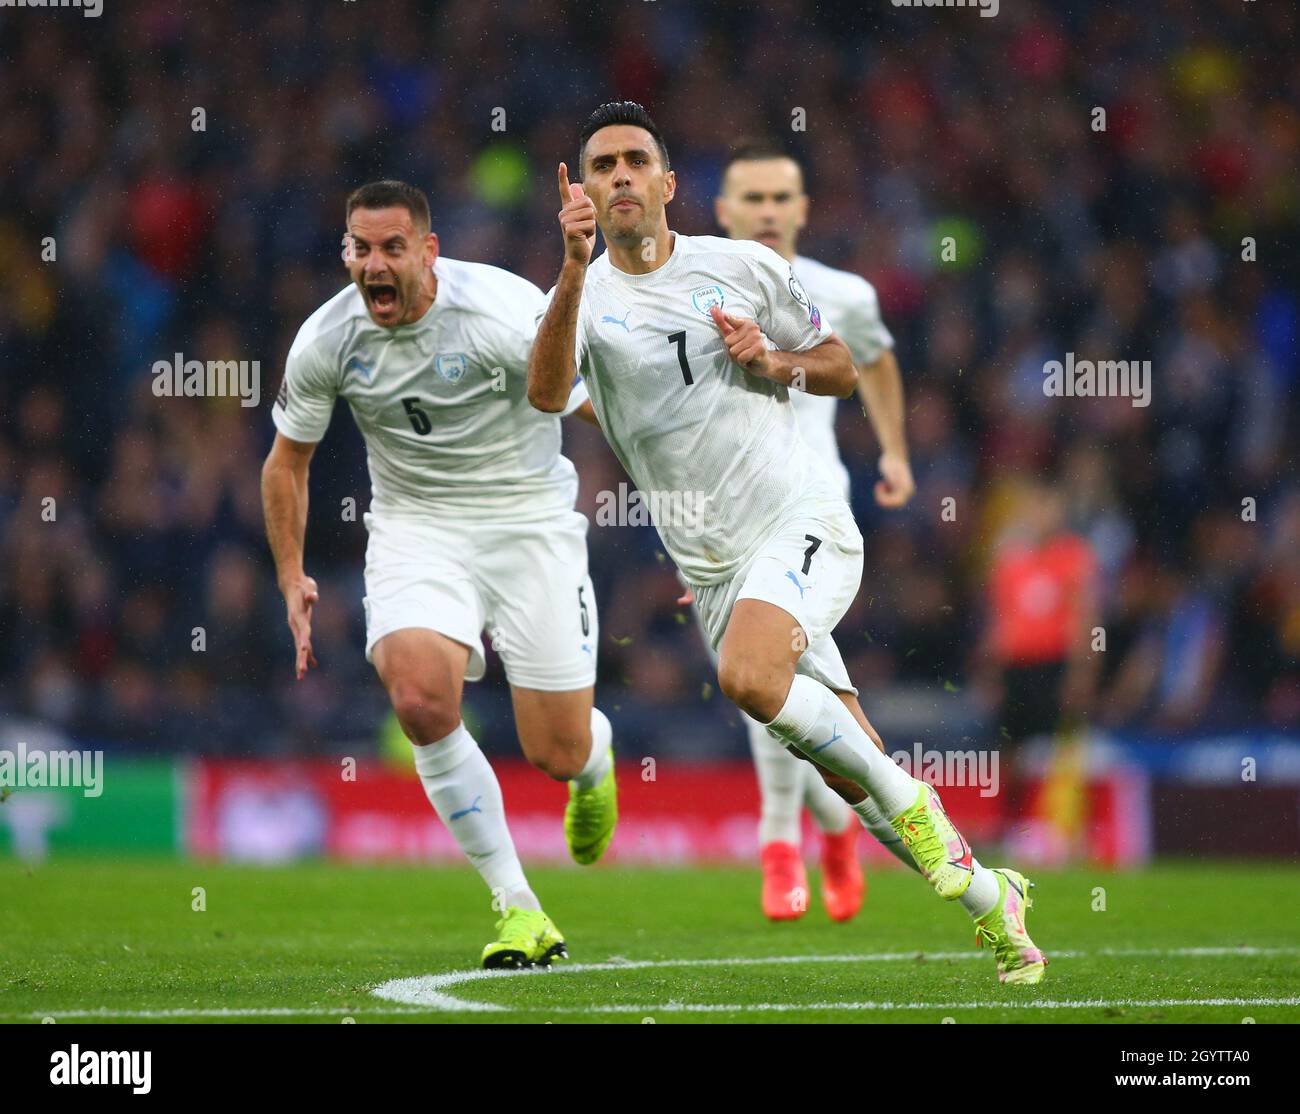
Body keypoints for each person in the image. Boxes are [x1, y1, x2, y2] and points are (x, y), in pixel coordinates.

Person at [528, 103, 1045, 984]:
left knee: (748, 677)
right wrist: (572, 270)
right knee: (854, 772)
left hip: (801, 521)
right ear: (582, 190)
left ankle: (918, 806)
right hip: (716, 568)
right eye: (602, 164)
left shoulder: (743, 266)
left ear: (667, 183)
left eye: (635, 161)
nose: (619, 176)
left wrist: (772, 362)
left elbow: (839, 364)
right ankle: (994, 903)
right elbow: (545, 395)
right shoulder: (578, 299)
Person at [261, 180, 617, 970]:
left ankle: (594, 758)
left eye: (392, 248)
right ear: (346, 253)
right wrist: (292, 574)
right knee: (419, 700)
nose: (374, 264)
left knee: (555, 751)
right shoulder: (328, 339)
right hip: (417, 528)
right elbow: (287, 463)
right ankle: (519, 908)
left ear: (429, 251)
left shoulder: (497, 309)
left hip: (529, 523)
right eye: (360, 248)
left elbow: (598, 408)